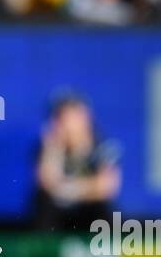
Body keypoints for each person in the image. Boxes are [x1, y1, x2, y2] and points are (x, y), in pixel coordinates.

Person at [34, 92, 121, 231]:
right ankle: (42, 248)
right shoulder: (49, 145)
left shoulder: (103, 147)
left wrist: (67, 190)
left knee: (102, 209)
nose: (65, 123)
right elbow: (47, 182)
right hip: (58, 216)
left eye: (70, 117)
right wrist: (54, 149)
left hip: (90, 214)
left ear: (85, 118)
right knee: (45, 204)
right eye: (60, 118)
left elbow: (106, 187)